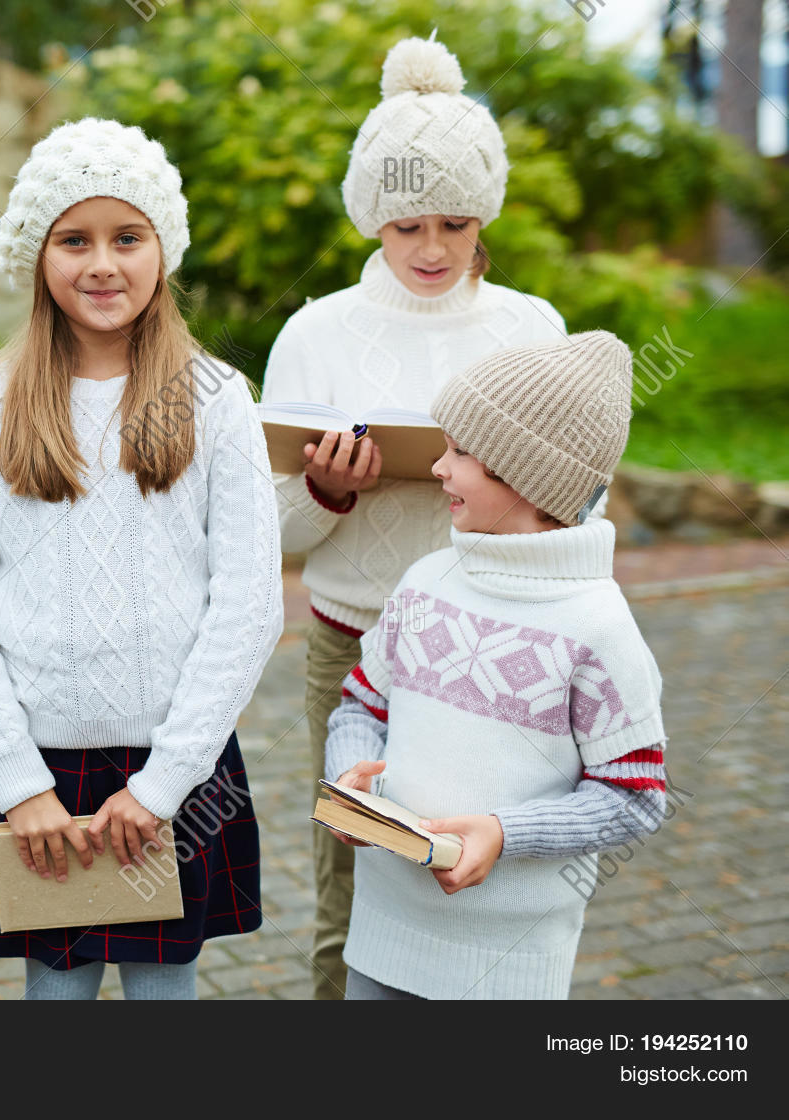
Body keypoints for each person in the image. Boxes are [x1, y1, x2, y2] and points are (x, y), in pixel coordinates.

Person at [0, 118, 283, 1001]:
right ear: (36, 257)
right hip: (42, 769)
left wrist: (163, 785)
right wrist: (17, 781)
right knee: (57, 996)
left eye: (128, 238)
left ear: (164, 248)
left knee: (166, 996)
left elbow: (248, 606)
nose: (102, 264)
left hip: (177, 764)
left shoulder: (218, 400)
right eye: (73, 239)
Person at [260, 34, 570, 999]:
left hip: (501, 650)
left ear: (486, 216)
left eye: (454, 220)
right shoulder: (316, 334)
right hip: (355, 650)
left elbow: (576, 504)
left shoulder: (531, 328)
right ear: (372, 220)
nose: (433, 248)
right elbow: (269, 535)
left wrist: (506, 489)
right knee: (351, 894)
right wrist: (329, 490)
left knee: (491, 877)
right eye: (406, 226)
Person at [325, 330, 667, 999]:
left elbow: (634, 796)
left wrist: (504, 833)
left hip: (505, 965)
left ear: (526, 476)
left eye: (462, 452)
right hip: (382, 930)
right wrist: (350, 772)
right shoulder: (426, 583)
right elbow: (361, 704)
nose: (438, 468)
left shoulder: (597, 628)